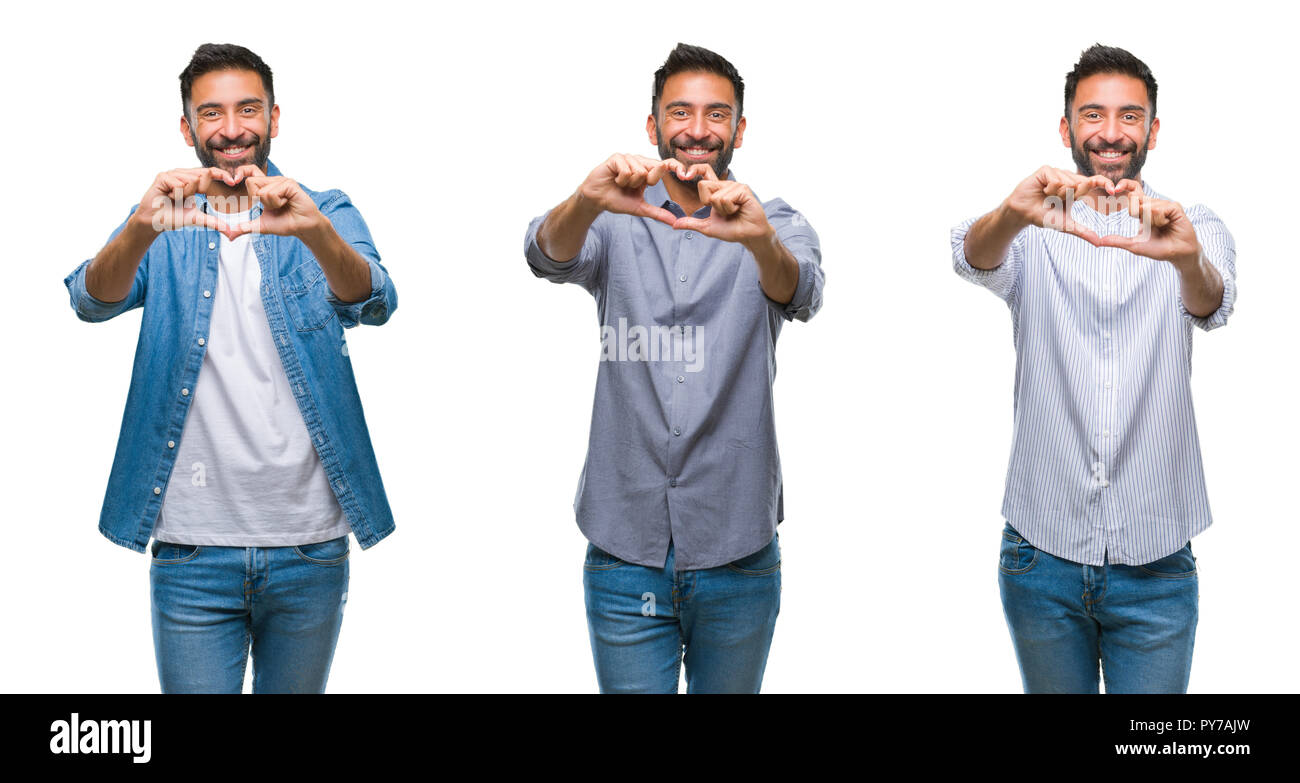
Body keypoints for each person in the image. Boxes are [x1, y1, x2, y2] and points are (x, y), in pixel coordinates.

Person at [63, 43, 398, 693]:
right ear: (188, 129)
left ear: (275, 117)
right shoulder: (160, 220)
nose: (233, 129)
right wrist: (140, 226)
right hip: (191, 548)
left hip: (309, 545)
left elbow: (376, 300)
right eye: (211, 113)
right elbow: (88, 300)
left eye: (248, 109)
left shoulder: (323, 208)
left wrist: (313, 232)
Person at [524, 43, 824, 693]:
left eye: (717, 115)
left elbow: (800, 291)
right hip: (625, 556)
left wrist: (756, 238)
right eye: (679, 111)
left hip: (738, 555)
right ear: (653, 124)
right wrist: (586, 196)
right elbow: (544, 254)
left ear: (739, 129)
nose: (697, 129)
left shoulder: (776, 224)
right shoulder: (611, 219)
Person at [951, 44, 1235, 693]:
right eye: (1093, 115)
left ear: (1153, 130)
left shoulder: (1196, 227)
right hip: (1040, 555)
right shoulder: (1028, 227)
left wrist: (1184, 261)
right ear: (1066, 127)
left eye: (1129, 116)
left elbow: (1213, 304)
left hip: (1157, 563)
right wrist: (1012, 211)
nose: (1111, 132)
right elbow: (971, 256)